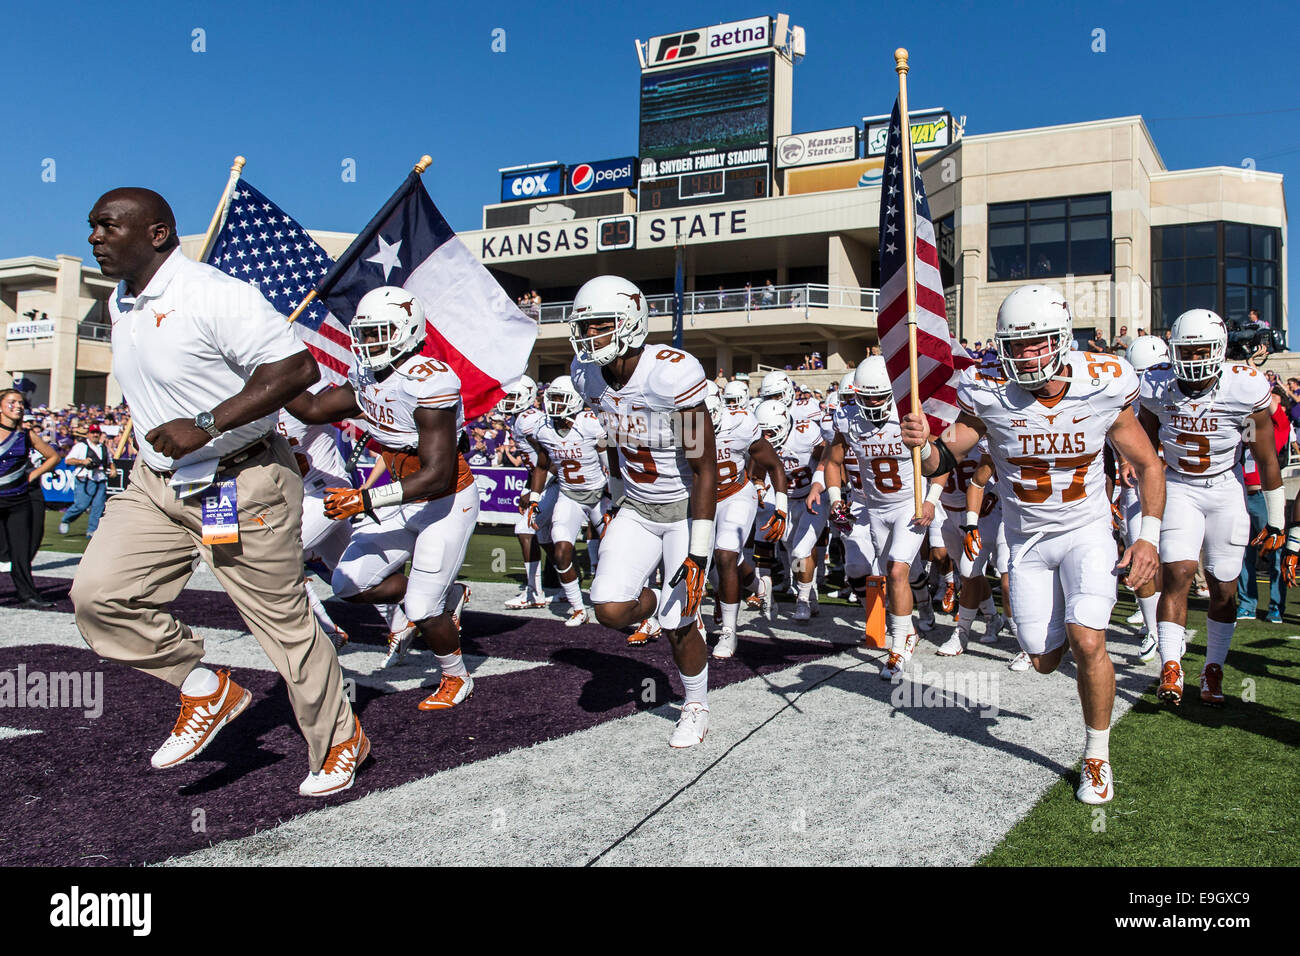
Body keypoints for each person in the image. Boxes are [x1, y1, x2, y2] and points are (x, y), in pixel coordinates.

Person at [71, 187, 365, 797]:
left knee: (281, 624)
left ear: (156, 234)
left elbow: (296, 369)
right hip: (156, 483)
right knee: (98, 596)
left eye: (107, 227)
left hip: (240, 478)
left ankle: (340, 738)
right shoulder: (121, 298)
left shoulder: (212, 293)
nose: (94, 238)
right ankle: (205, 687)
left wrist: (205, 424)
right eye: (92, 227)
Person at [901, 284, 1165, 805]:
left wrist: (1149, 538)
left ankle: (1096, 755)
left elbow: (1152, 463)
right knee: (1043, 660)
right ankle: (1065, 624)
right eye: (1016, 346)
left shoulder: (1103, 382)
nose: (1026, 356)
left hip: (1086, 531)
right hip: (1025, 540)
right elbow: (945, 461)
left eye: (1038, 343)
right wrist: (925, 446)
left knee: (1090, 640)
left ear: (1063, 339)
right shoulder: (987, 390)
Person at [285, 286, 477, 710]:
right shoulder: (367, 377)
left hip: (446, 501)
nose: (368, 343)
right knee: (348, 583)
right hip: (401, 499)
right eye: (364, 333)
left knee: (421, 607)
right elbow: (315, 410)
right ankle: (448, 595)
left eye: (379, 332)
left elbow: (436, 474)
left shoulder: (429, 380)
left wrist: (365, 500)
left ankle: (455, 676)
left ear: (407, 332)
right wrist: (269, 377)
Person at [566, 274, 718, 748]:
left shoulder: (670, 374)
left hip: (685, 511)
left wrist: (697, 551)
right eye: (584, 327)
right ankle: (655, 605)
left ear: (631, 324)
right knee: (608, 608)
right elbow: (613, 438)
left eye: (599, 326)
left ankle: (694, 705)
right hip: (636, 505)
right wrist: (614, 497)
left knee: (680, 625)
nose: (588, 337)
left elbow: (706, 467)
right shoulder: (586, 373)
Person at [1138, 309, 1284, 705]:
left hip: (1224, 488)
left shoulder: (1243, 388)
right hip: (1180, 486)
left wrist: (1277, 520)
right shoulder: (1156, 386)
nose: (1195, 359)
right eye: (1187, 350)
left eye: (1203, 350)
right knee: (1179, 572)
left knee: (1223, 586)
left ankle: (1213, 669)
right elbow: (1147, 449)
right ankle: (1171, 663)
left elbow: (1266, 458)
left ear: (1220, 350)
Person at [704, 389, 787, 656]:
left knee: (726, 554)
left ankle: (729, 632)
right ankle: (760, 586)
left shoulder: (740, 423)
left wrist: (781, 509)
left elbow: (774, 465)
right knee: (708, 562)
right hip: (701, 500)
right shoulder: (683, 427)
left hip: (735, 495)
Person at [523, 375, 610, 627]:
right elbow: (542, 465)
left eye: (561, 398)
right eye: (552, 399)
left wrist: (614, 493)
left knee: (616, 549)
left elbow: (609, 457)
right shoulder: (544, 428)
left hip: (599, 496)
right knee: (561, 552)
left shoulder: (590, 423)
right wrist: (535, 497)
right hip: (569, 495)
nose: (556, 404)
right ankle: (578, 607)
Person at [1236, 386, 1292, 623]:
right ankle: (1247, 603)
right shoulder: (1246, 425)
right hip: (1239, 494)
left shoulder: (1278, 427)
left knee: (1276, 552)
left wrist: (1261, 387)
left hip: (1264, 496)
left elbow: (1271, 406)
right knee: (1242, 552)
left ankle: (1276, 605)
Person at [0, 388, 61, 606]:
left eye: (20, 403)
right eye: (12, 402)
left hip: (18, 500)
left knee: (21, 550)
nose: (18, 405)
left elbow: (53, 456)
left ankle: (27, 594)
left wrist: (32, 475)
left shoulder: (26, 435)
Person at [59, 423, 118, 538]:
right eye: (93, 432)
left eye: (97, 433)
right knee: (81, 505)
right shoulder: (81, 446)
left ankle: (92, 530)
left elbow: (110, 461)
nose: (95, 435)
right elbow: (68, 460)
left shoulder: (103, 448)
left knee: (98, 506)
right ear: (88, 434)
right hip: (85, 478)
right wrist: (82, 461)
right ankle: (66, 519)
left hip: (100, 478)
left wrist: (113, 469)